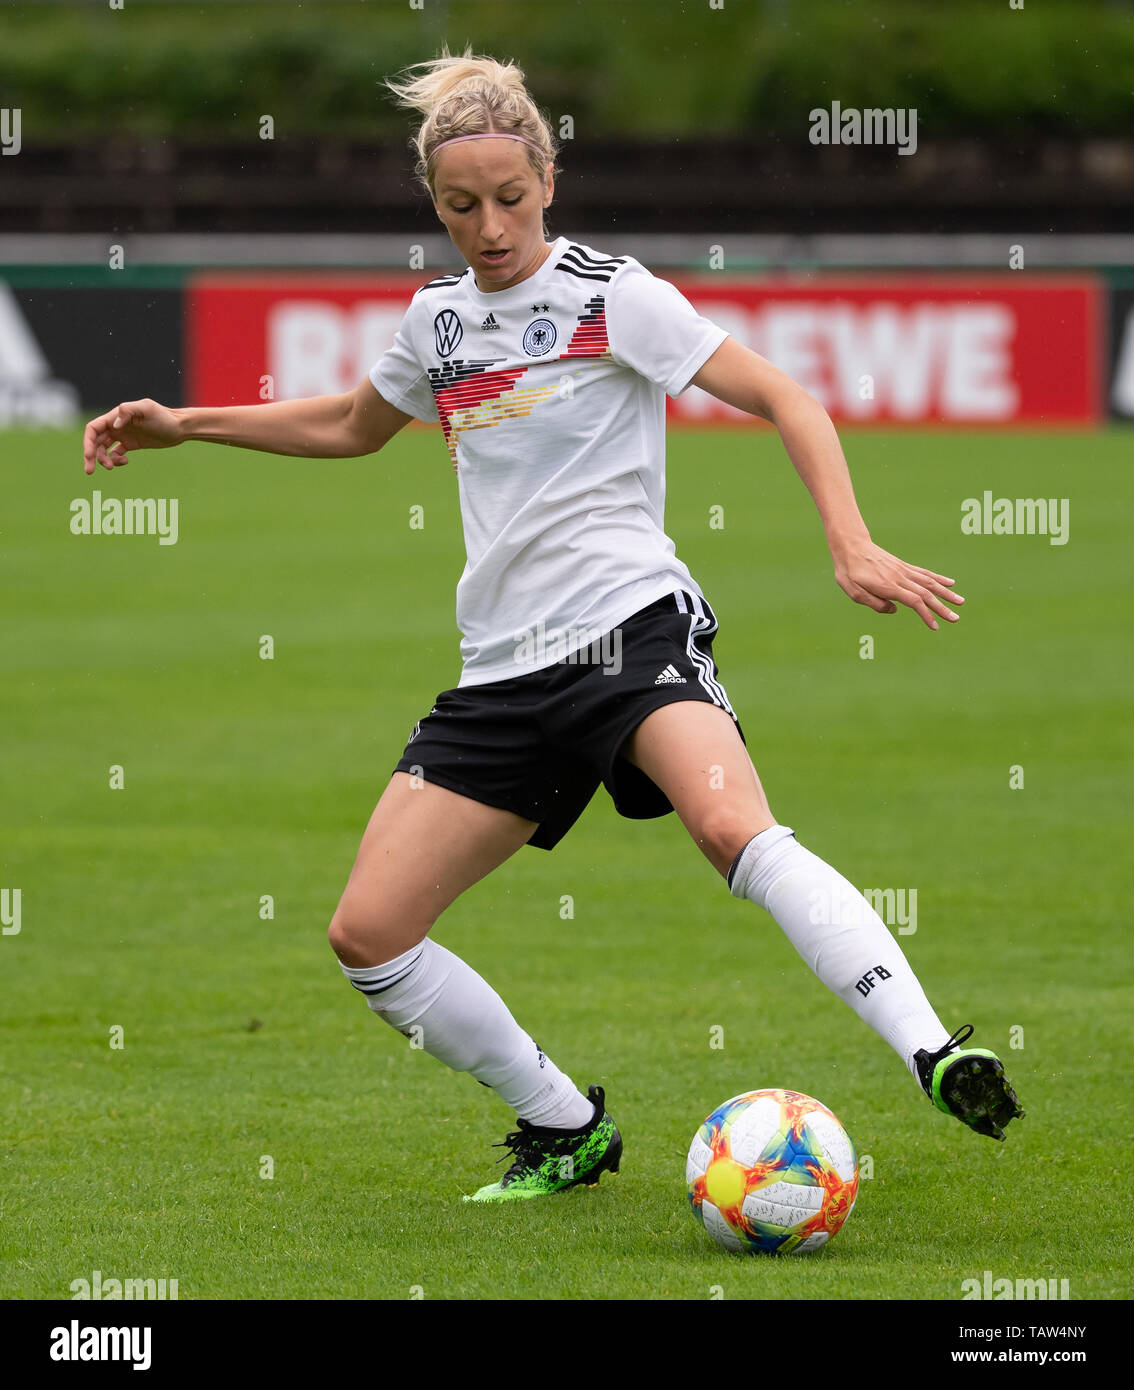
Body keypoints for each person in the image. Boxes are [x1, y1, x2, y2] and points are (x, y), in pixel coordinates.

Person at [81, 47, 1022, 1203]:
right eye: (459, 205)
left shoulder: (611, 294)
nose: (488, 227)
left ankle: (931, 1048)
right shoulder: (434, 324)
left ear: (549, 179)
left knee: (729, 827)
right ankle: (564, 1123)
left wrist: (850, 541)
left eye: (509, 200)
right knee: (368, 932)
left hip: (630, 631)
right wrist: (186, 423)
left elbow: (785, 393)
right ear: (433, 202)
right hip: (504, 673)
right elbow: (348, 425)